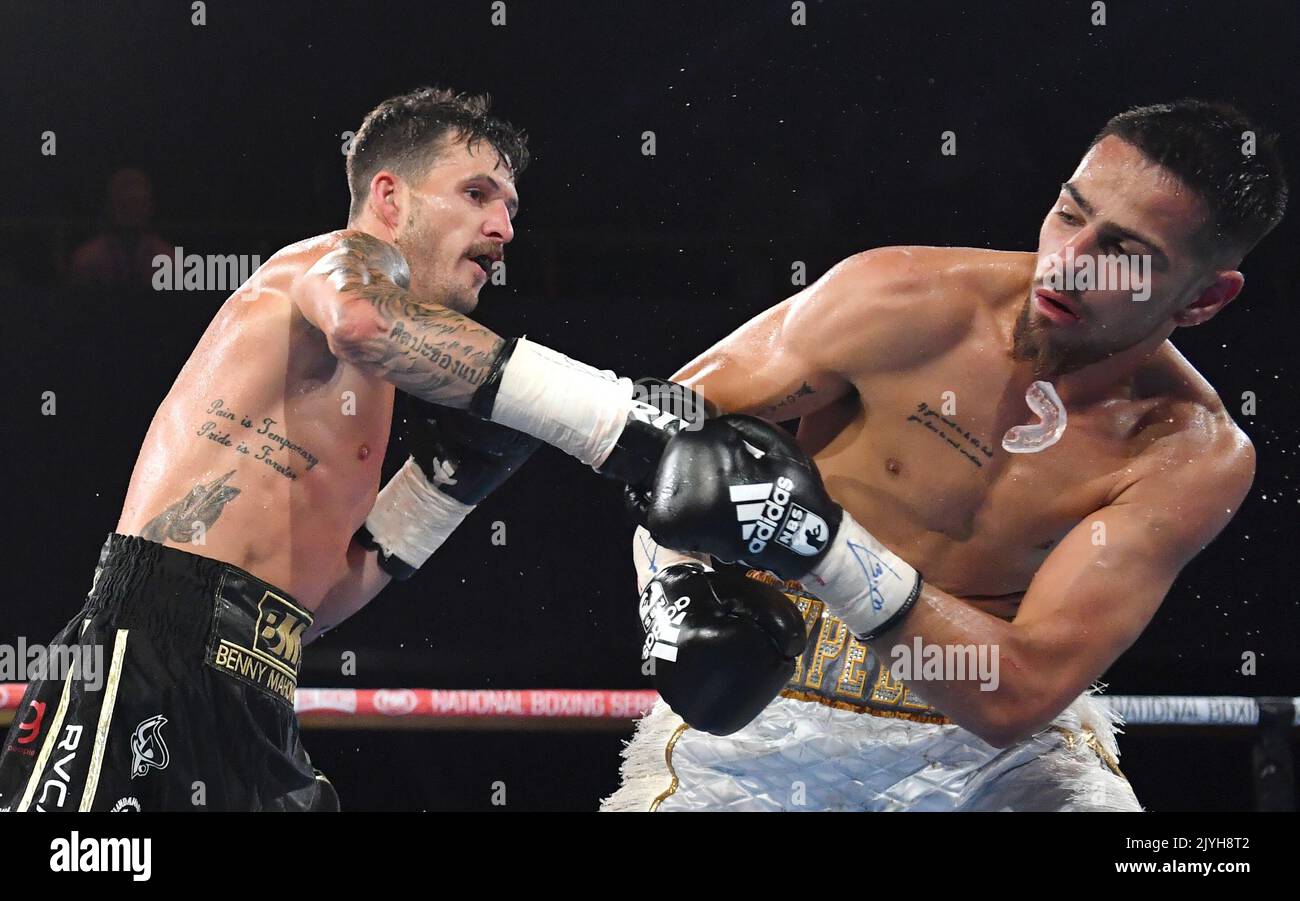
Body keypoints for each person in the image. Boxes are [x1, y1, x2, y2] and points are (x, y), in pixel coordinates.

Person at [0, 86, 694, 811]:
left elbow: (310, 603)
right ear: (390, 198)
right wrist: (609, 413)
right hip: (151, 652)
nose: (503, 227)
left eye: (511, 208)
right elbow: (363, 319)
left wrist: (438, 492)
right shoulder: (336, 265)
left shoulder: (371, 386)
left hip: (260, 683)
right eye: (477, 192)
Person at [604, 99, 1285, 812]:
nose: (1070, 263)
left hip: (993, 756)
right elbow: (656, 432)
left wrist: (823, 545)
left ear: (1205, 298)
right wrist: (670, 590)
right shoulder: (900, 297)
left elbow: (1017, 692)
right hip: (767, 703)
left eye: (1123, 253)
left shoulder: (1190, 453)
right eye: (1070, 213)